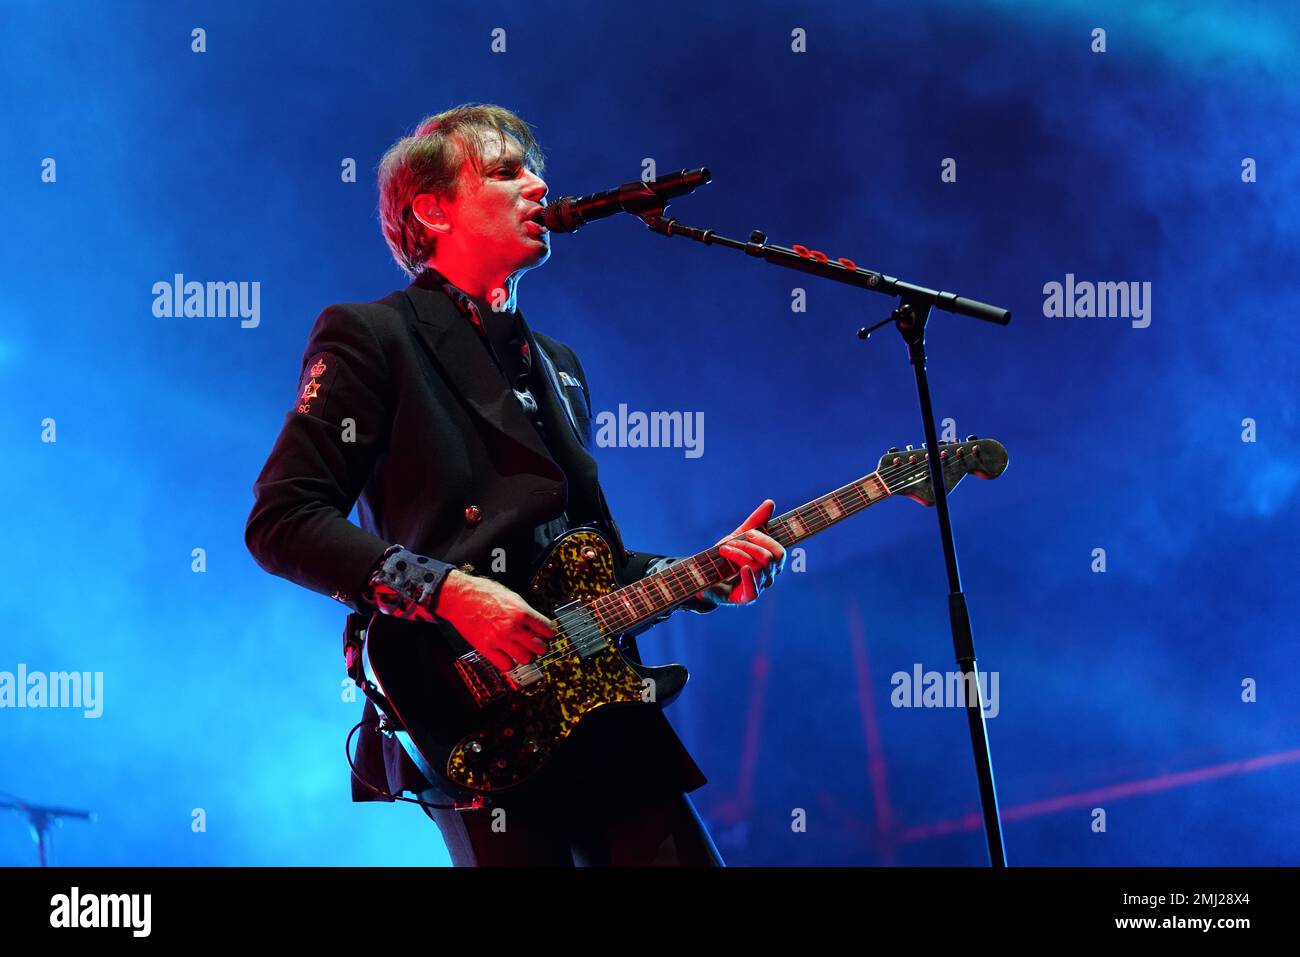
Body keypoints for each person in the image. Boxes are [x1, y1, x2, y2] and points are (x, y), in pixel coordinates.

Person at [244, 103, 785, 866]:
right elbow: (282, 519)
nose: (536, 186)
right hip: (468, 707)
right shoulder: (373, 336)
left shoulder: (557, 365)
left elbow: (590, 563)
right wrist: (450, 590)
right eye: (505, 172)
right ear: (431, 209)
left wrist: (700, 573)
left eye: (536, 170)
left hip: (599, 705)